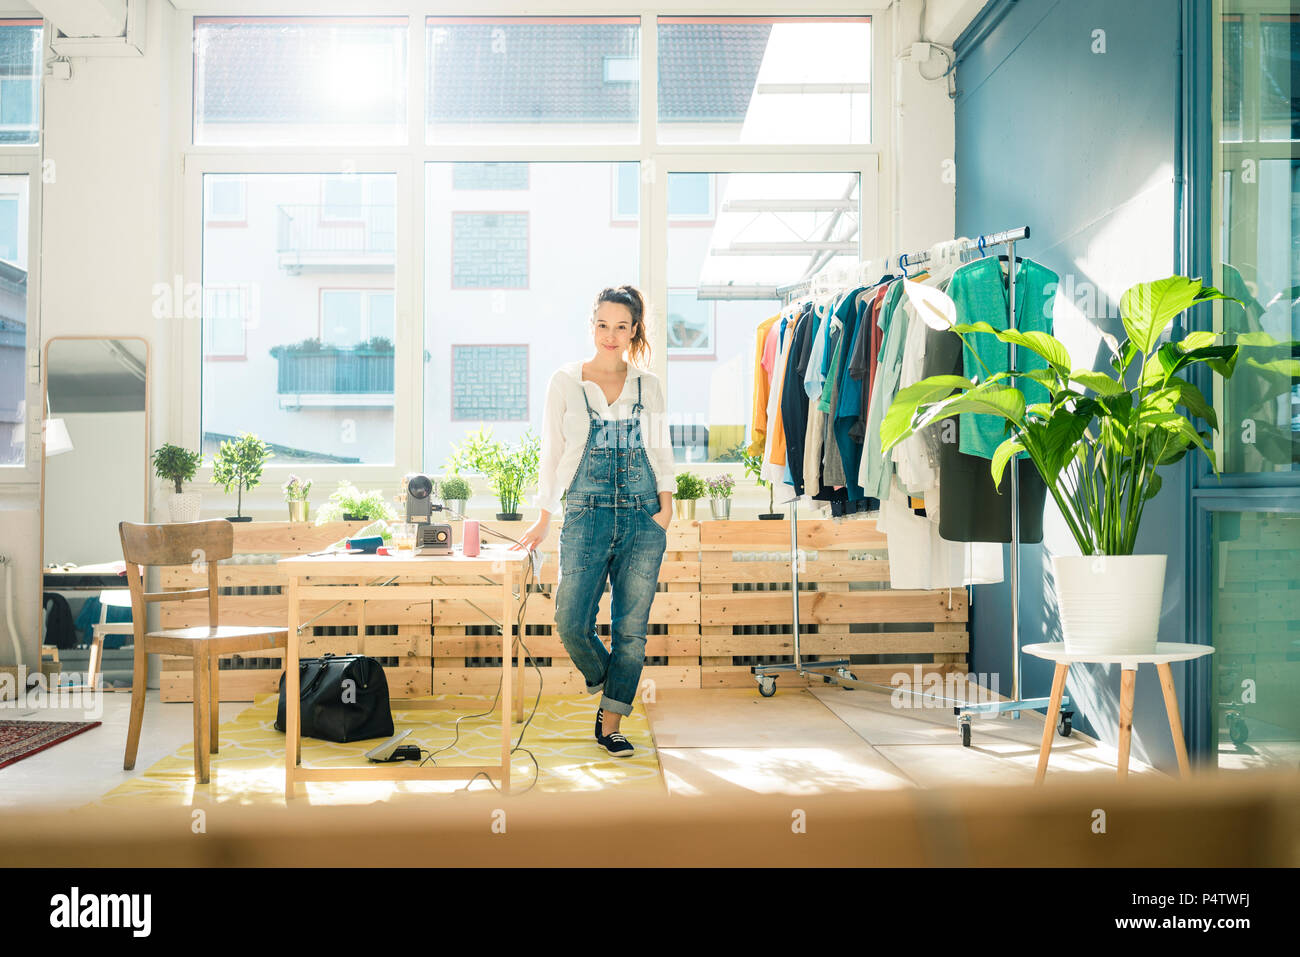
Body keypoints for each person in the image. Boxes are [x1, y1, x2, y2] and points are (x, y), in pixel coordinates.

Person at [512, 285, 675, 757]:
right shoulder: (565, 381)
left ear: (634, 330)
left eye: (621, 326)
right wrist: (544, 516)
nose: (611, 334)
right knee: (569, 621)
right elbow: (552, 452)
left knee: (631, 630)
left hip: (644, 516)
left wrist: (666, 509)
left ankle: (611, 724)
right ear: (592, 325)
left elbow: (661, 450)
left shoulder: (649, 386)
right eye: (603, 324)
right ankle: (613, 683)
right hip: (583, 515)